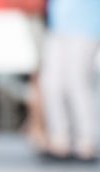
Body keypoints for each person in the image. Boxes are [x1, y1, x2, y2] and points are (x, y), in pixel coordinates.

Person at [41, 0, 100, 162]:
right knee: (51, 83)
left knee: (78, 83)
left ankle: (87, 141)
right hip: (57, 25)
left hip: (86, 27)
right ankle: (60, 140)